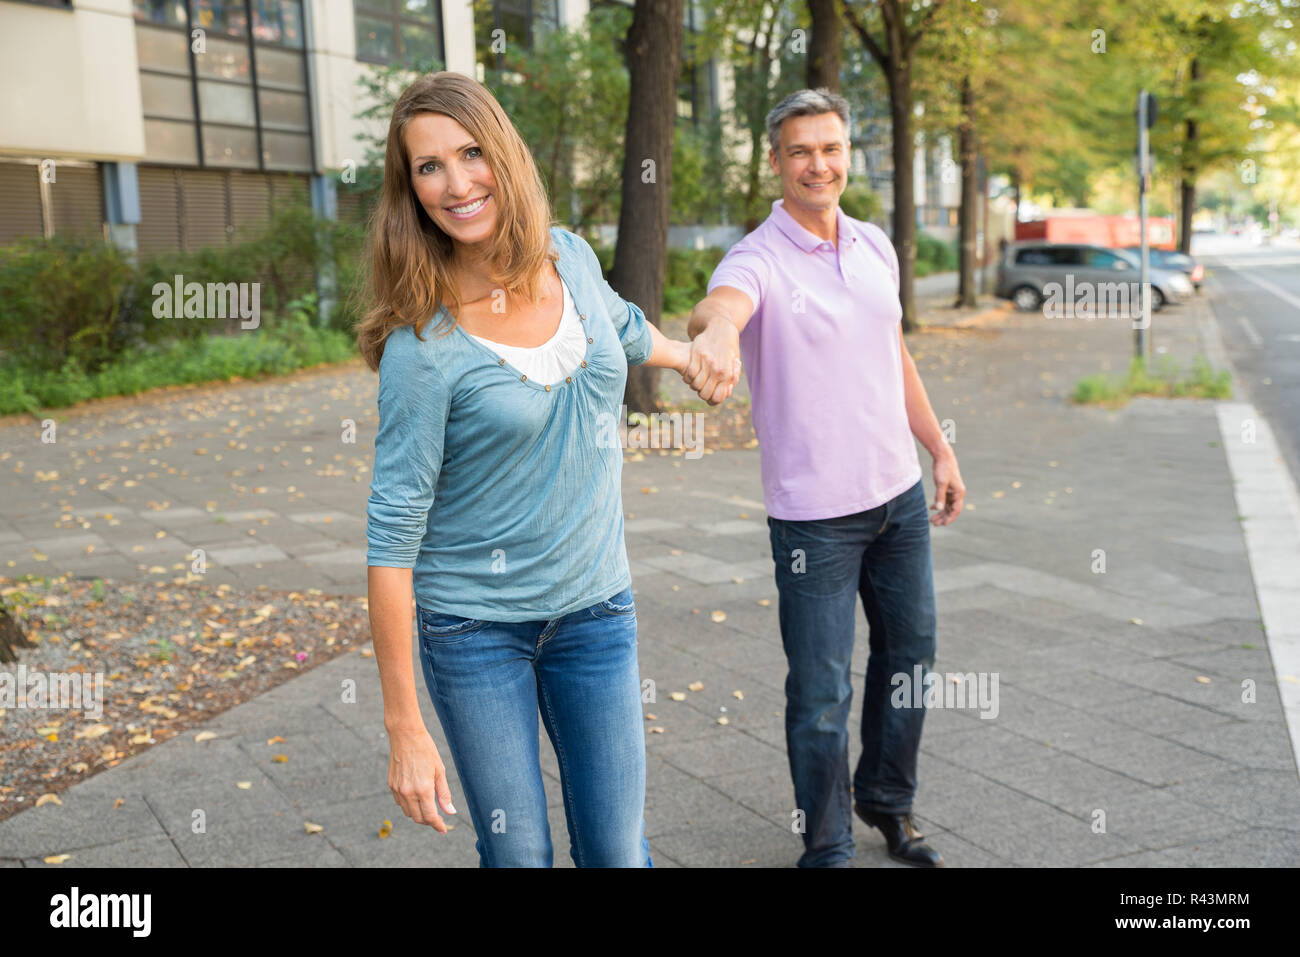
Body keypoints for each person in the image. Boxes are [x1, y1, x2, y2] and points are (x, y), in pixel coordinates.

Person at [358, 72, 718, 867]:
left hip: (596, 609)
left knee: (618, 852)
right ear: (409, 189)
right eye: (429, 167)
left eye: (471, 153)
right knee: (519, 856)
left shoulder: (571, 258)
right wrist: (404, 727)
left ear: (506, 156)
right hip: (476, 631)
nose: (457, 184)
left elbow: (621, 329)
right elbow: (391, 545)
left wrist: (692, 356)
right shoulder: (424, 351)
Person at [681, 88, 967, 868]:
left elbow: (893, 353)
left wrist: (939, 448)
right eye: (801, 150)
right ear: (776, 163)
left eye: (832, 147)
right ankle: (827, 840)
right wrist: (712, 336)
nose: (819, 163)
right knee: (819, 696)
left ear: (849, 154)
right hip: (815, 519)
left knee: (910, 661)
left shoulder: (874, 244)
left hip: (898, 498)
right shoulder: (757, 257)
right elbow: (719, 309)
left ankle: (887, 800)